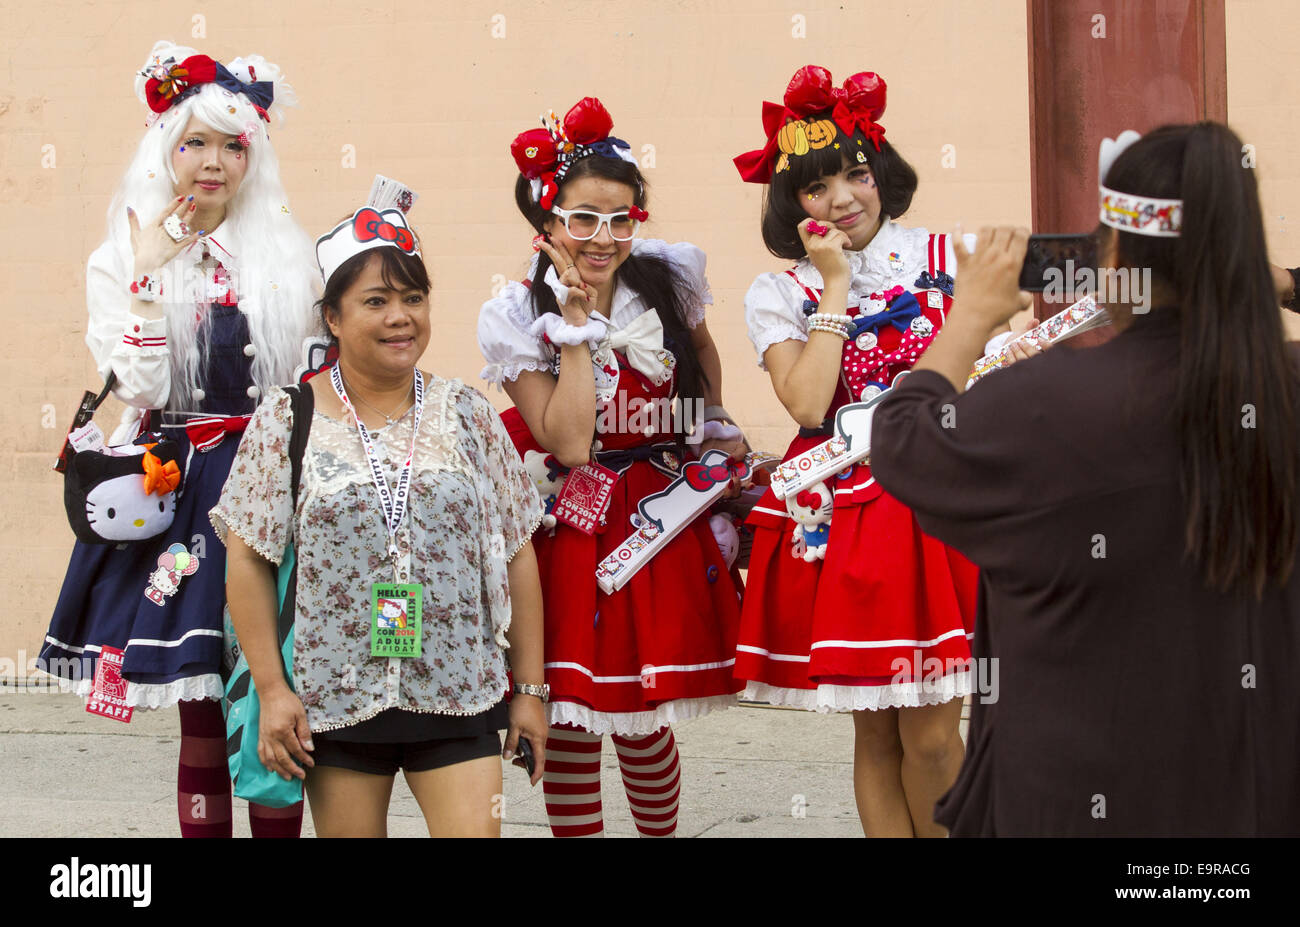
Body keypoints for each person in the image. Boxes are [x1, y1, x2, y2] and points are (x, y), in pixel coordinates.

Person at [869, 122, 1300, 835]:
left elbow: (903, 438)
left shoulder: (1043, 403)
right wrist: (1261, 278)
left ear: (1115, 251)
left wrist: (970, 315)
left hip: (1081, 798)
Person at [731, 65, 1028, 838]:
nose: (844, 199)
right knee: (875, 728)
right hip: (845, 522)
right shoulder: (782, 291)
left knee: (933, 732)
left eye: (856, 174)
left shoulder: (945, 252)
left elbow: (1012, 339)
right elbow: (803, 402)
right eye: (817, 187)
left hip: (938, 511)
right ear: (793, 204)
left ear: (880, 172)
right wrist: (834, 287)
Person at [41, 40, 319, 837]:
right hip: (181, 482)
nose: (212, 162)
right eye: (193, 141)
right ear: (162, 150)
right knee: (202, 708)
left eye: (233, 145)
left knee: (280, 690)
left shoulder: (289, 257)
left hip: (273, 480)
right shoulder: (121, 255)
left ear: (252, 158)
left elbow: (311, 378)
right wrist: (151, 283)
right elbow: (138, 391)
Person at [212, 189, 549, 837]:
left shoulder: (467, 413)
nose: (401, 317)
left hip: (458, 687)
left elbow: (517, 552)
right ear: (333, 318)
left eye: (413, 299)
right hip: (337, 697)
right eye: (376, 301)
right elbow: (247, 561)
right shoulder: (288, 418)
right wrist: (273, 688)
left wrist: (529, 690)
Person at [478, 97, 747, 837]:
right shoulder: (515, 311)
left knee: (643, 714)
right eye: (585, 218)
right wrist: (571, 329)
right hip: (572, 514)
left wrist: (714, 436)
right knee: (569, 717)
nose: (604, 237)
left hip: (658, 509)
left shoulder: (666, 279)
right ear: (549, 219)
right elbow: (566, 441)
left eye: (622, 218)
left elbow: (703, 369)